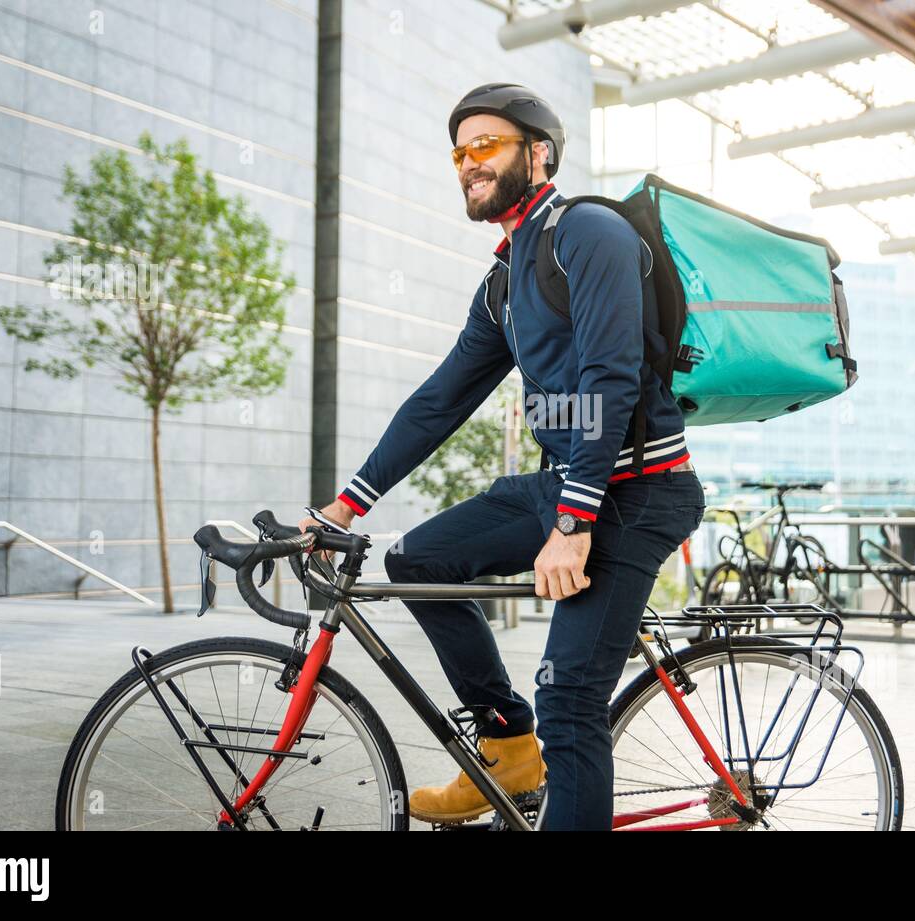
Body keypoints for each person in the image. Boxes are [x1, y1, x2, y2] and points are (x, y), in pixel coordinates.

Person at [299, 83, 704, 831]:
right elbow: (439, 400)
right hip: (569, 485)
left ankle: (544, 742)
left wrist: (575, 522)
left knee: (572, 696)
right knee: (418, 561)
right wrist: (344, 505)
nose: (467, 163)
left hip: (640, 491)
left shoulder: (588, 232)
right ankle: (509, 746)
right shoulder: (505, 280)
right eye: (459, 151)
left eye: (485, 145)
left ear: (538, 153)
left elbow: (609, 376)